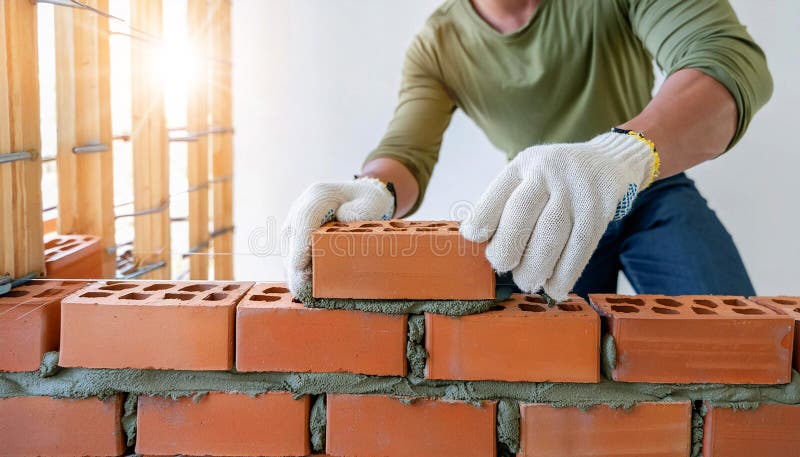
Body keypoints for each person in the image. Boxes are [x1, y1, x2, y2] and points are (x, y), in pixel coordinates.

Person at [283, 0, 772, 301]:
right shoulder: (438, 44)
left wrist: (621, 156)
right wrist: (373, 188)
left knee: (740, 343)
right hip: (549, 215)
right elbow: (406, 149)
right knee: (552, 387)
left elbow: (722, 58)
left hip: (654, 190)